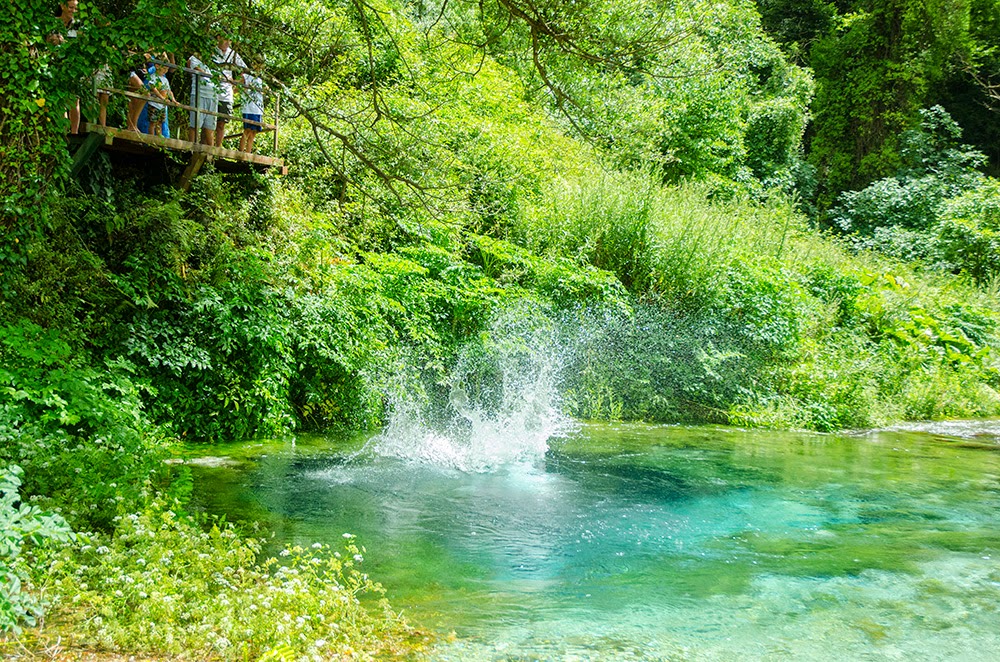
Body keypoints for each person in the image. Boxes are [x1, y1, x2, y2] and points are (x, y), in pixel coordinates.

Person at [47, 0, 81, 133]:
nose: (73, 10)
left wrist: (64, 42)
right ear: (62, 6)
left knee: (74, 100)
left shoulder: (77, 25)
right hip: (54, 66)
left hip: (73, 67)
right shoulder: (53, 22)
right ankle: (62, 131)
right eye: (70, 7)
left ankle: (74, 132)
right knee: (60, 100)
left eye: (75, 8)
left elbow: (80, 45)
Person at [212, 35, 245, 149]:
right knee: (209, 122)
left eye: (230, 40)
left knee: (221, 123)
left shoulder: (233, 54)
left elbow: (245, 73)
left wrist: (234, 83)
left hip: (226, 94)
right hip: (211, 91)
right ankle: (207, 147)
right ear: (218, 38)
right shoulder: (211, 51)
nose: (227, 43)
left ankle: (218, 148)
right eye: (225, 39)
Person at [187, 51, 218, 145]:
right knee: (195, 124)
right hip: (199, 95)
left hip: (212, 97)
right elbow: (198, 71)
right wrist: (214, 77)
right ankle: (191, 147)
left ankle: (211, 152)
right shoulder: (193, 59)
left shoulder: (212, 64)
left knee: (210, 127)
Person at [145, 58, 176, 137]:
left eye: (167, 69)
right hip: (154, 104)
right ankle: (151, 139)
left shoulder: (165, 79)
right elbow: (154, 89)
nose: (165, 71)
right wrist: (162, 98)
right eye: (164, 68)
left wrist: (173, 100)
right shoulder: (153, 77)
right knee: (153, 123)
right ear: (157, 66)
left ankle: (159, 138)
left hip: (162, 106)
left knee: (160, 123)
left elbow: (169, 91)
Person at [239, 63, 264, 153]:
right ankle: (241, 153)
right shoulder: (246, 76)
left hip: (258, 109)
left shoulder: (261, 79)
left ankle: (248, 154)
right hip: (248, 108)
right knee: (247, 130)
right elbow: (238, 86)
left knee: (254, 132)